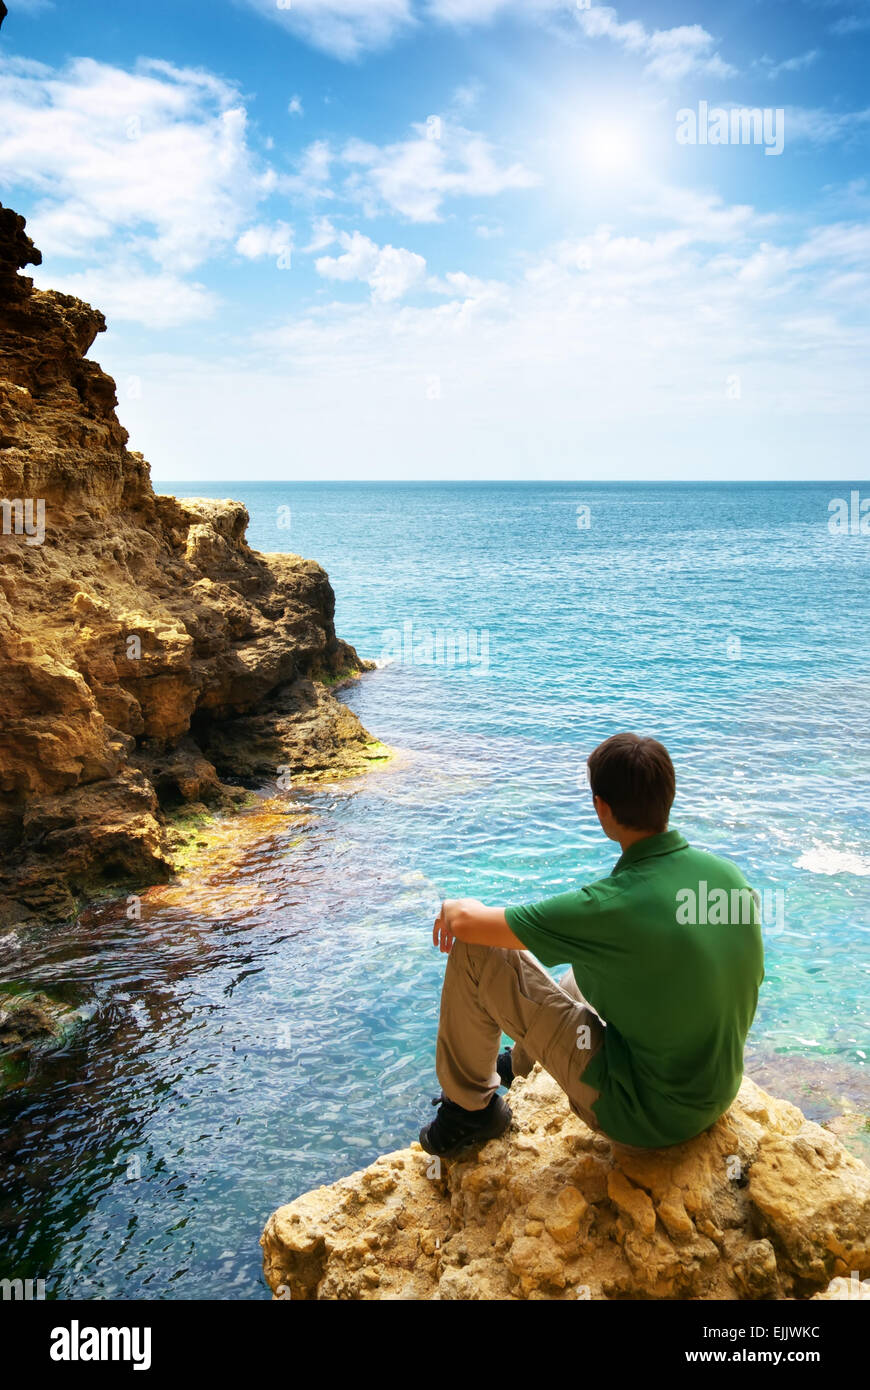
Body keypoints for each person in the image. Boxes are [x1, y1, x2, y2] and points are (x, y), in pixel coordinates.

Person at [419, 732, 765, 1157]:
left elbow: (471, 927)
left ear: (602, 808)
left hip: (640, 1116)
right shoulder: (730, 879)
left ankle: (469, 1113)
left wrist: (456, 905)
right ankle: (518, 1067)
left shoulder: (608, 906)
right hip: (714, 1094)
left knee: (476, 953)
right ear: (668, 796)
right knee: (579, 974)